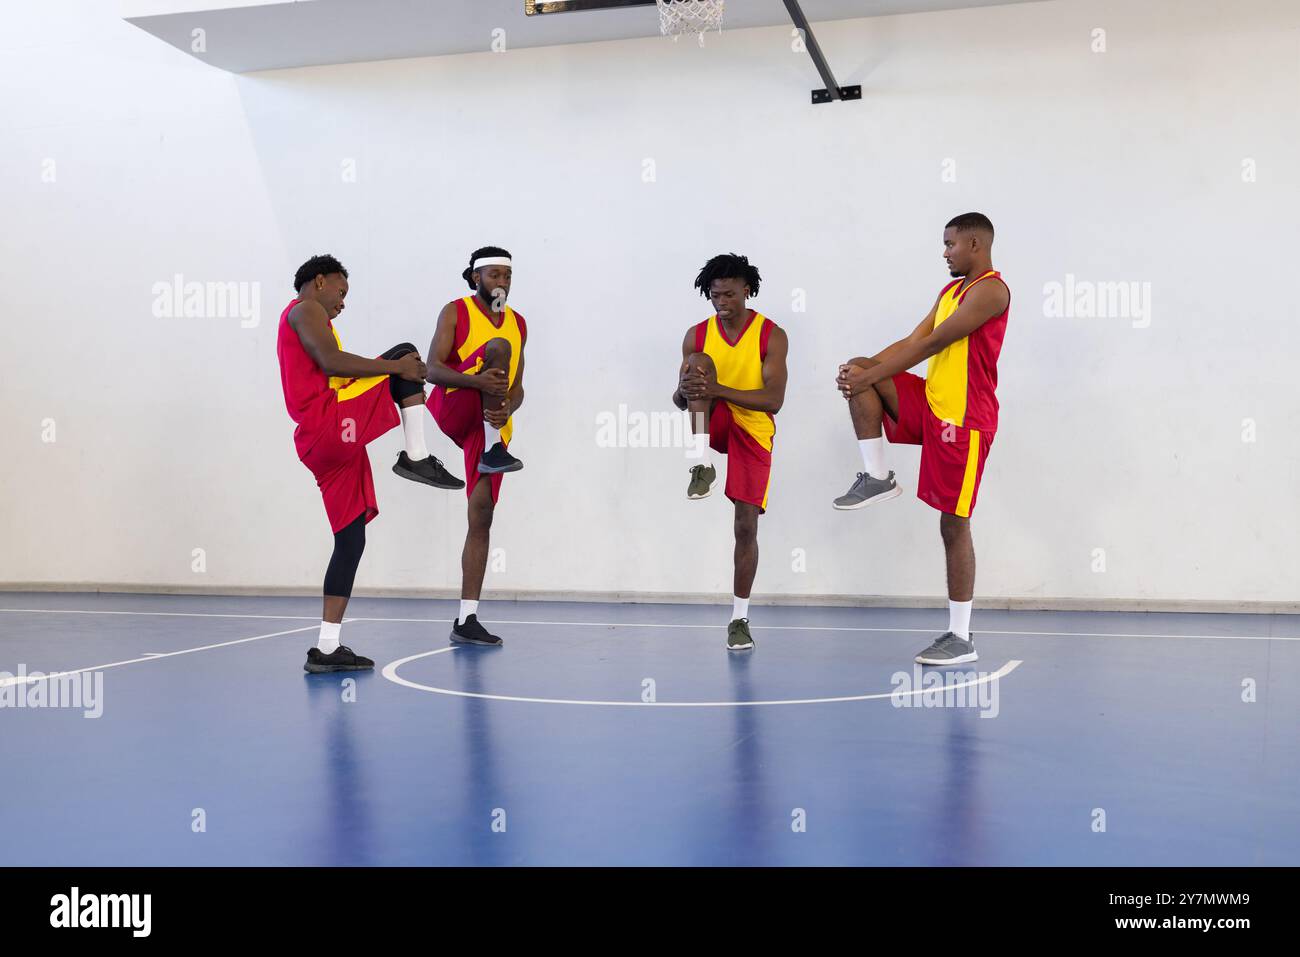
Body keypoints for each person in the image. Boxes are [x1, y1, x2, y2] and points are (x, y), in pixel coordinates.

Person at [833, 213, 1010, 665]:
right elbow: (914, 338)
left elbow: (932, 346)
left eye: (950, 244)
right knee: (858, 366)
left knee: (953, 524)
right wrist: (862, 373)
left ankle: (960, 636)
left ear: (974, 243)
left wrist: (873, 373)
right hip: (931, 406)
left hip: (964, 423)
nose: (944, 252)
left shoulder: (990, 290)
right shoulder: (950, 291)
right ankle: (877, 476)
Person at [277, 254, 463, 673]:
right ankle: (416, 457)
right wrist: (394, 367)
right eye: (341, 293)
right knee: (405, 356)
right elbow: (331, 363)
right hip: (328, 425)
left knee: (351, 541)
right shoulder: (305, 309)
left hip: (325, 444)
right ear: (319, 281)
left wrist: (392, 370)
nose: (343, 303)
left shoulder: (311, 317)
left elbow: (336, 372)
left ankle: (326, 647)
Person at [673, 253, 788, 652]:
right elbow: (680, 398)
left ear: (748, 291)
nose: (722, 302)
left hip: (753, 424)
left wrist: (715, 389)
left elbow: (774, 399)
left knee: (745, 525)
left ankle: (739, 619)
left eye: (730, 295)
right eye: (715, 295)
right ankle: (700, 464)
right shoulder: (696, 336)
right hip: (715, 419)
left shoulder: (770, 334)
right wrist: (686, 389)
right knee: (699, 362)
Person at [425, 246, 527, 647]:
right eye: (493, 275)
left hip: (490, 421)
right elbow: (433, 369)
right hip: (456, 401)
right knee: (496, 348)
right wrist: (479, 383)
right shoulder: (455, 311)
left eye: (506, 276)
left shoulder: (519, 322)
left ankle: (466, 618)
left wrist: (505, 409)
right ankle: (490, 449)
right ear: (474, 278)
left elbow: (517, 388)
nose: (501, 282)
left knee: (481, 514)